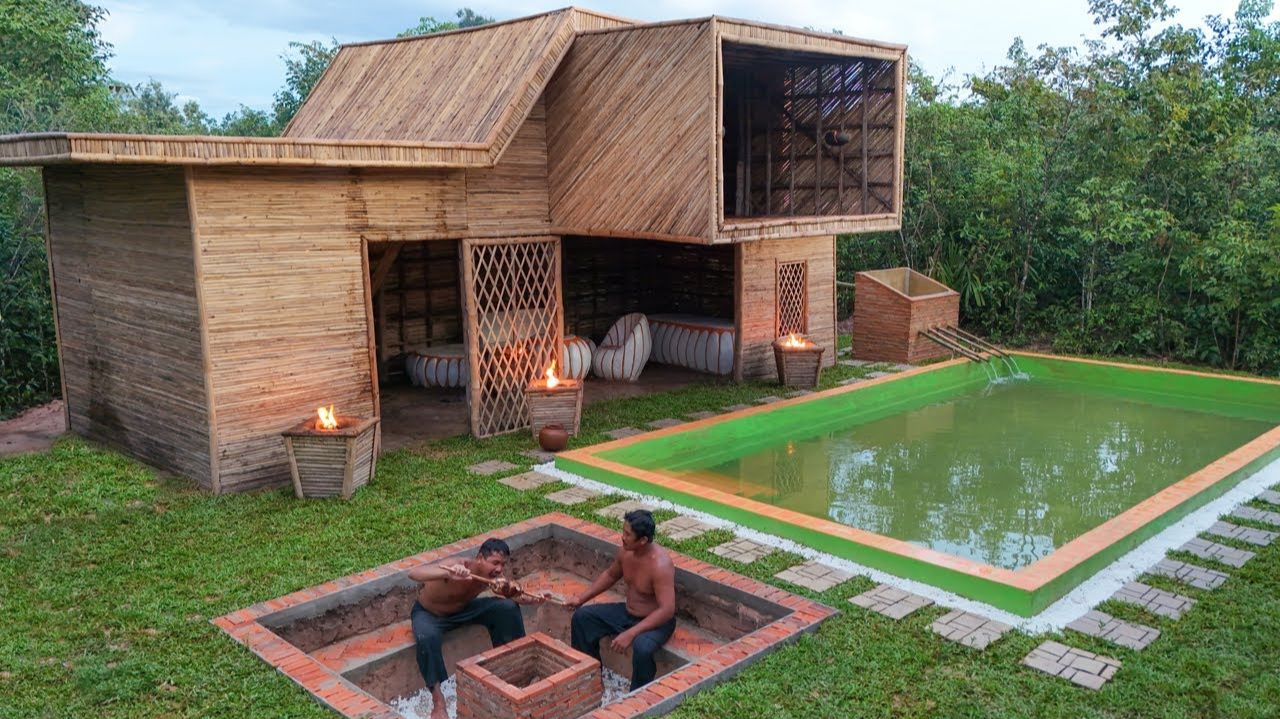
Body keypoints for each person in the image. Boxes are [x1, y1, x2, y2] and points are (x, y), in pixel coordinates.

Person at [408, 538, 543, 719]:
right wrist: (447, 573)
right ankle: (439, 702)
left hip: (463, 611)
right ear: (480, 557)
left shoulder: (491, 579)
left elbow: (516, 596)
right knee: (427, 637)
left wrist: (536, 599)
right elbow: (414, 573)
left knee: (507, 608)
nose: (499, 569)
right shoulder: (457, 565)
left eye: (503, 564)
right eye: (495, 563)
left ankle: (516, 668)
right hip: (430, 614)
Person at [567, 509, 676, 691]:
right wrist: (580, 598)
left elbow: (667, 610)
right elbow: (610, 575)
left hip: (656, 622)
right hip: (628, 613)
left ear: (643, 540)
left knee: (642, 648)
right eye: (623, 531)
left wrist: (631, 633)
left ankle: (636, 699)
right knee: (582, 618)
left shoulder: (660, 565)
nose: (622, 537)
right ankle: (589, 680)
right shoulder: (626, 552)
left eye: (627, 534)